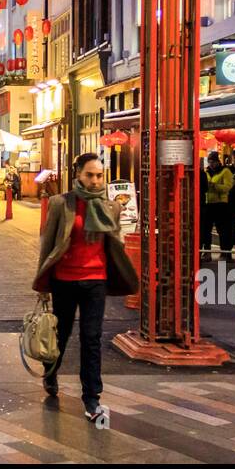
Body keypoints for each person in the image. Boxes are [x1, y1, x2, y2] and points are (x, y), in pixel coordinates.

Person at [32, 153, 138, 422]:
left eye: (99, 175)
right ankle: (51, 373)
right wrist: (42, 282)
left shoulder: (111, 207)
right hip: (64, 281)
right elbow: (48, 245)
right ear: (77, 174)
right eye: (89, 175)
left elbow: (114, 244)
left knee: (91, 339)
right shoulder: (61, 204)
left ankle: (92, 398)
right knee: (62, 334)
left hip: (96, 281)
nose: (94, 180)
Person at [202, 152, 235, 256]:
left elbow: (228, 187)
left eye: (213, 162)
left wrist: (214, 186)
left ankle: (225, 252)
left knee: (223, 230)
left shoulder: (225, 171)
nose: (211, 164)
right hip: (208, 204)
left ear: (218, 161)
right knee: (206, 229)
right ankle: (207, 251)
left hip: (222, 204)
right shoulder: (206, 172)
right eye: (210, 161)